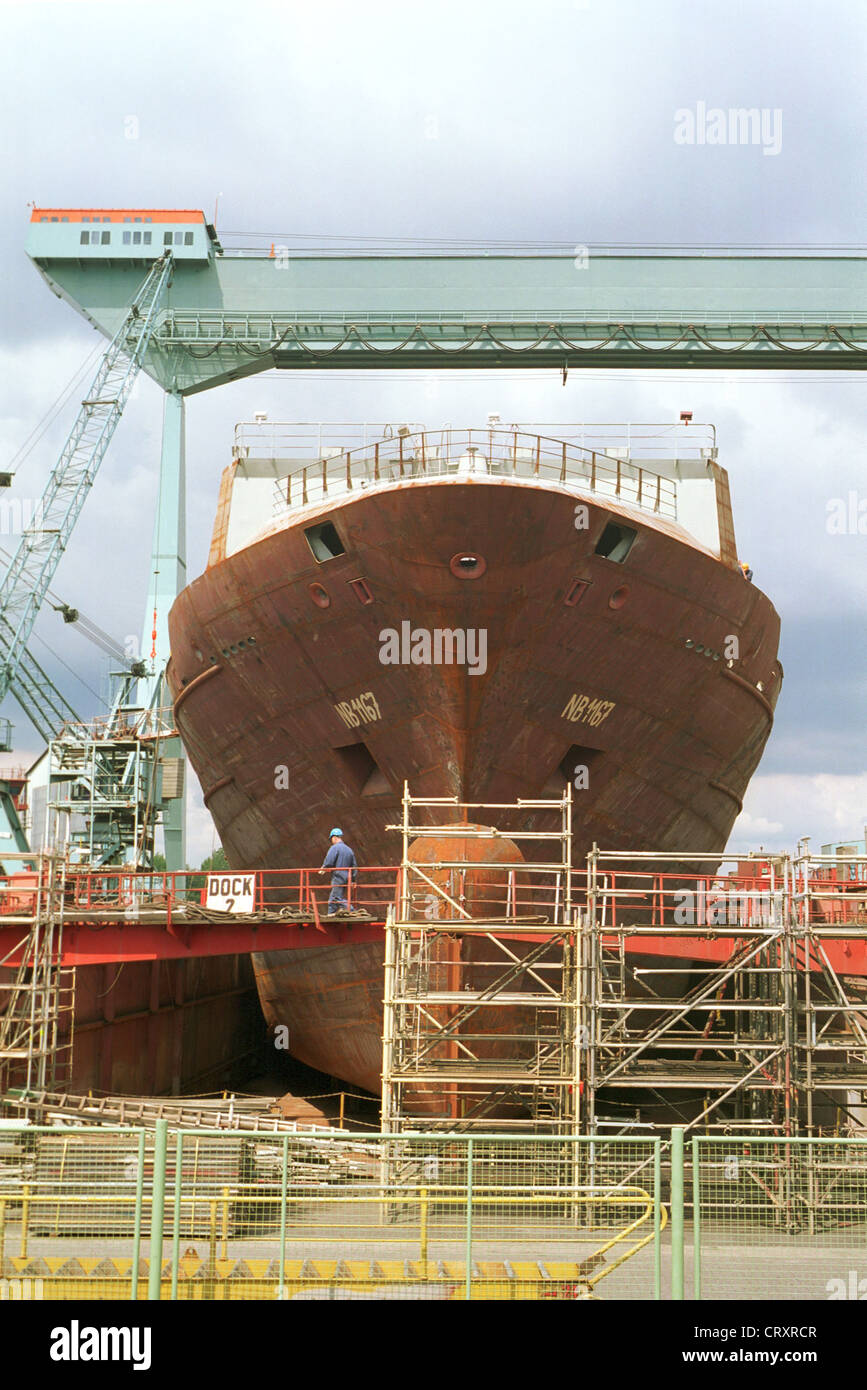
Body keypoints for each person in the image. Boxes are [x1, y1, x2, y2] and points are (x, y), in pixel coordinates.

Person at [318, 828, 359, 915]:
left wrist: (324, 867)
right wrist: (353, 880)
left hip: (338, 876)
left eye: (331, 839)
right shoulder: (349, 850)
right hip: (347, 877)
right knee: (335, 898)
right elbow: (354, 866)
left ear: (334, 838)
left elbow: (329, 861)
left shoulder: (334, 848)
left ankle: (351, 910)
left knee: (335, 898)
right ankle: (331, 914)